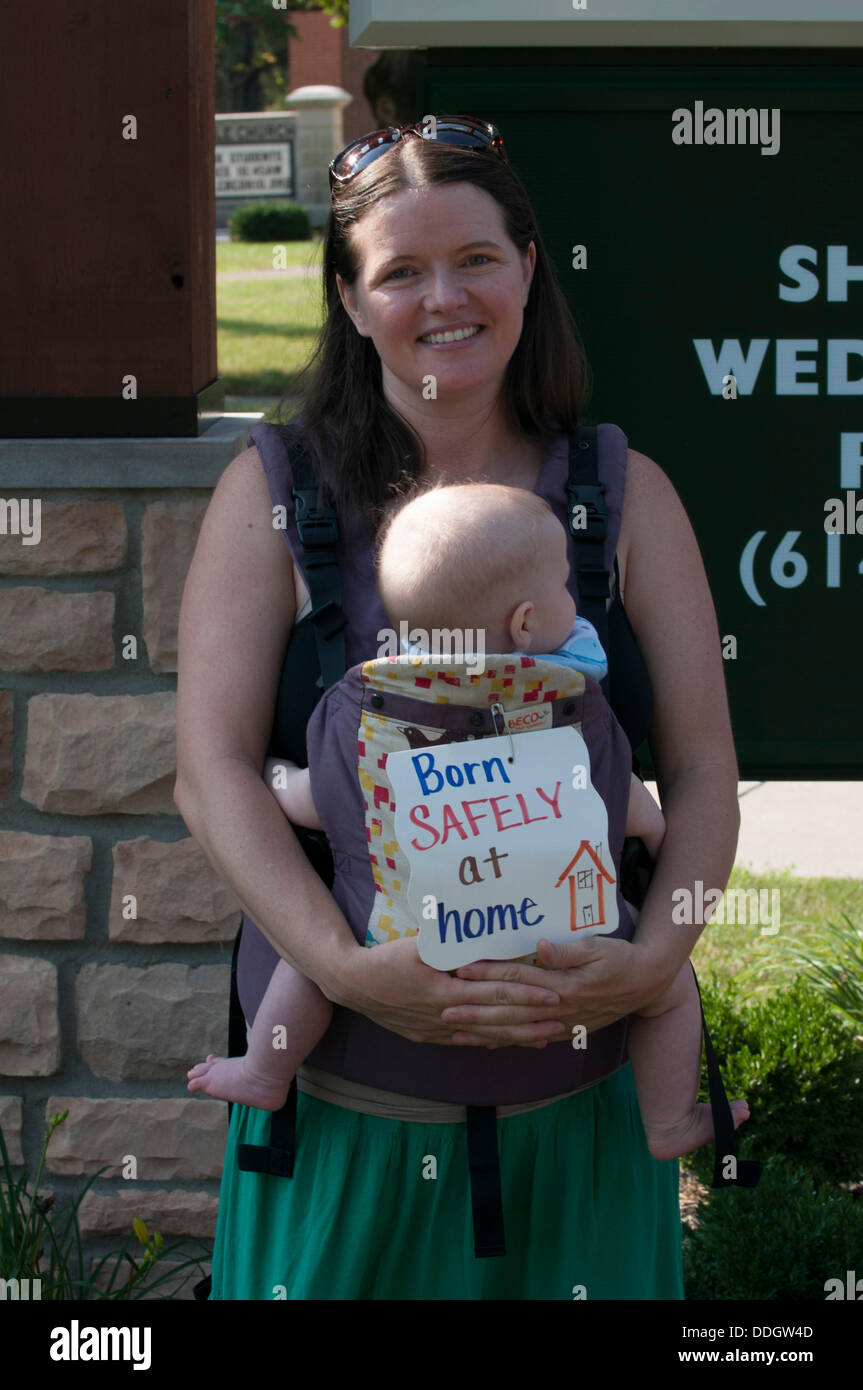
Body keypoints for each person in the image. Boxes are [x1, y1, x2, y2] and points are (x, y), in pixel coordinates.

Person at [175, 115, 741, 1300]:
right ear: (346, 294)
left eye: (476, 258)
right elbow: (210, 772)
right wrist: (340, 965)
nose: (445, 297)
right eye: (398, 270)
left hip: (578, 1133)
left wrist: (655, 962)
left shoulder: (621, 496)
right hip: (346, 1132)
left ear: (529, 269)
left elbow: (697, 775)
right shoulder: (276, 497)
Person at [187, 481, 748, 1162]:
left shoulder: (372, 712)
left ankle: (263, 1071)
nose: (575, 603)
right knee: (667, 990)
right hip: (565, 946)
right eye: (564, 589)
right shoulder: (574, 706)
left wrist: (277, 779)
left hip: (404, 945)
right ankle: (668, 1124)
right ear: (523, 623)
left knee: (312, 963)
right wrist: (657, 841)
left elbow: (318, 802)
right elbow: (627, 805)